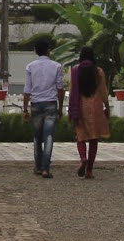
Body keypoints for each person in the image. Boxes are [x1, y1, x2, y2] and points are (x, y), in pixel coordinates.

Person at [21, 33, 65, 177]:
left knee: (37, 137)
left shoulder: (30, 67)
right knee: (49, 137)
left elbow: (27, 89)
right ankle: (46, 168)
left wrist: (24, 108)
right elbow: (60, 89)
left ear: (36, 51)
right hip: (51, 104)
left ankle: (38, 166)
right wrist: (60, 108)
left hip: (35, 104)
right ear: (48, 50)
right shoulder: (57, 66)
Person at [67, 45, 111, 178]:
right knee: (93, 139)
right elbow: (103, 91)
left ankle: (83, 159)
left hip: (80, 107)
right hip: (95, 107)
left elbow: (72, 90)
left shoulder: (75, 71)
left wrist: (70, 110)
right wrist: (107, 107)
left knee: (80, 137)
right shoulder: (98, 72)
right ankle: (89, 170)